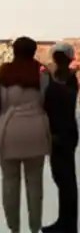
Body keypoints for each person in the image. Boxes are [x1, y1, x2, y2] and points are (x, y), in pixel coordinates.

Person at [0, 37, 51, 233]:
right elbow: (49, 102)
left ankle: (14, 228)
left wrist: (1, 123)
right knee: (35, 184)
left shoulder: (4, 72)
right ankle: (35, 227)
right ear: (33, 51)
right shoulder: (41, 72)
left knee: (9, 183)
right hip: (36, 131)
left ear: (14, 51)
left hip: (10, 131)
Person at [44, 42, 78, 233]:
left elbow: (62, 104)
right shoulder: (60, 78)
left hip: (62, 135)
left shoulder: (66, 80)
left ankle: (68, 223)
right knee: (62, 179)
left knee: (66, 180)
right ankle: (64, 220)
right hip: (62, 133)